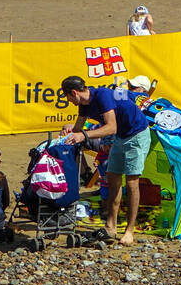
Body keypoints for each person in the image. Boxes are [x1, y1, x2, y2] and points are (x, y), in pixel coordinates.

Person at [59, 76, 151, 246]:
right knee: (112, 177)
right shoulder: (84, 104)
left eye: (68, 97)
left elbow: (111, 127)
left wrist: (83, 135)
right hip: (120, 137)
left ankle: (129, 231)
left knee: (131, 182)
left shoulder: (102, 95)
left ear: (74, 93)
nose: (69, 101)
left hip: (137, 135)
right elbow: (78, 128)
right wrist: (70, 133)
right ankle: (111, 226)